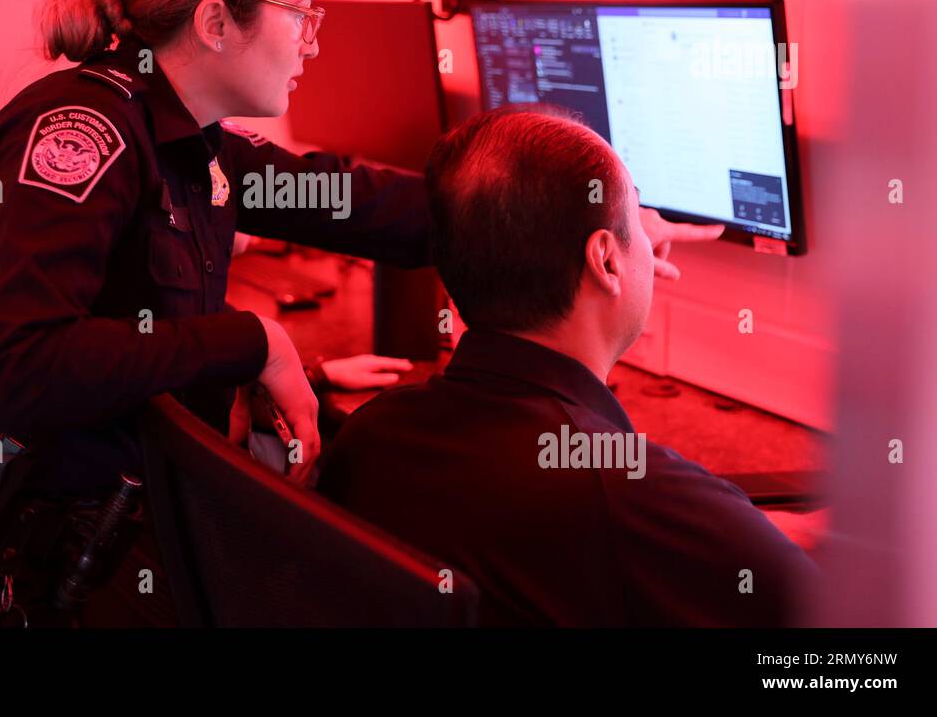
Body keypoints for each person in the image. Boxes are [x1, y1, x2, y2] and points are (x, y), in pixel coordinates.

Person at [0, 0, 716, 628]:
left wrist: (597, 212)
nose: (313, 42)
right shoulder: (80, 128)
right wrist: (254, 343)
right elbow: (19, 369)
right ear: (214, 20)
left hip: (69, 540)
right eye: (302, 14)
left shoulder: (193, 145)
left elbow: (362, 204)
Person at [317, 108, 819, 626]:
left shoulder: (370, 433)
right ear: (605, 261)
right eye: (637, 217)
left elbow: (683, 541)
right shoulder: (623, 490)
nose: (649, 240)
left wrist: (763, 531)